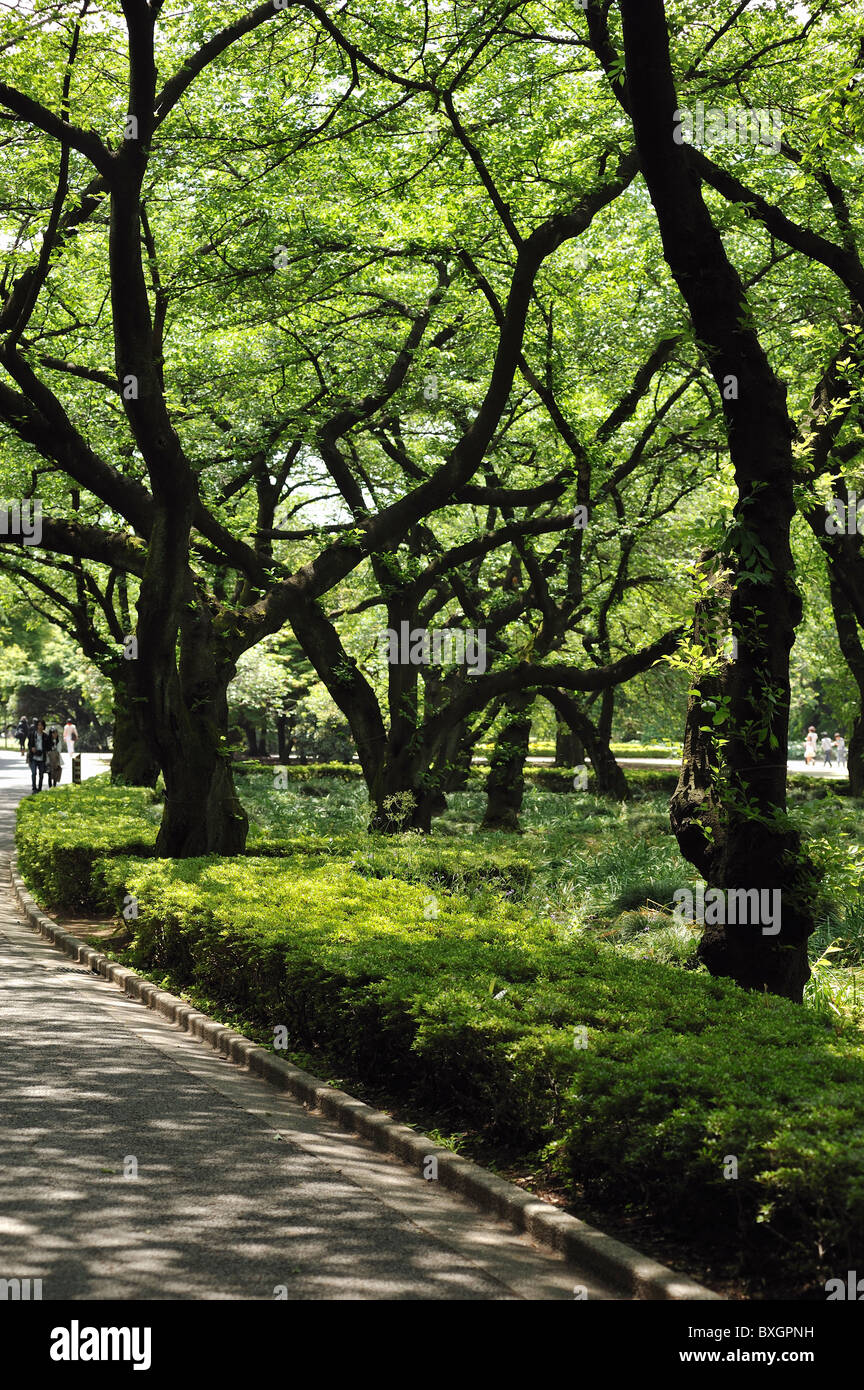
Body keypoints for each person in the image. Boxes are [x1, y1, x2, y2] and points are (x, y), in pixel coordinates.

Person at [27, 719, 50, 793]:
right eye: (39, 725)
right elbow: (29, 744)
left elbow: (48, 747)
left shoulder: (45, 736)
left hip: (42, 757)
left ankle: (39, 788)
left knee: (41, 774)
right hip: (33, 757)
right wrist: (32, 748)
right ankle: (34, 788)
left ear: (44, 726)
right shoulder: (32, 734)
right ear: (37, 726)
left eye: (41, 725)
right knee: (34, 773)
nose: (40, 727)